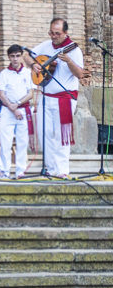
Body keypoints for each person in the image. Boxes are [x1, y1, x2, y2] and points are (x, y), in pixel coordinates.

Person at [27, 18, 85, 178]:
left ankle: (62, 170)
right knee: (45, 132)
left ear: (65, 33)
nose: (53, 36)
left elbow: (80, 74)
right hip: (46, 96)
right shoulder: (45, 45)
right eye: (51, 33)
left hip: (65, 97)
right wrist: (33, 65)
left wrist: (69, 61)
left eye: (57, 33)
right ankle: (51, 168)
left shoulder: (73, 50)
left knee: (61, 135)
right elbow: (27, 56)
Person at [0, 44, 35, 179]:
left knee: (22, 142)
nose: (15, 59)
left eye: (17, 56)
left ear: (21, 56)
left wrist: (17, 104)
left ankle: (20, 171)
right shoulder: (4, 73)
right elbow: (2, 94)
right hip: (7, 111)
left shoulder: (28, 73)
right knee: (5, 142)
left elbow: (31, 93)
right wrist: (12, 107)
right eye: (12, 56)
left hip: (23, 110)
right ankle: (5, 171)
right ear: (8, 57)